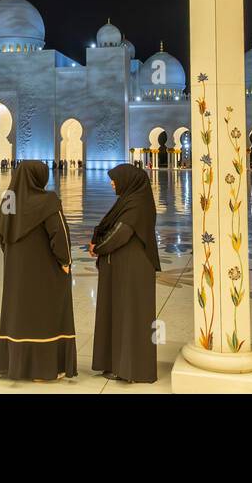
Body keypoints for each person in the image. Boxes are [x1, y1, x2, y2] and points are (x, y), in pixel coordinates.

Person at [0, 160, 76, 381]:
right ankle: (42, 369)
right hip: (44, 271)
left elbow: (2, 233)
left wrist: (13, 258)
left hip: (16, 271)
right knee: (44, 313)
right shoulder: (47, 202)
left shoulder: (8, 200)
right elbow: (60, 236)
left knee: (19, 313)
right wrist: (65, 262)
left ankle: (16, 365)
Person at [89, 164, 159, 383]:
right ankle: (115, 364)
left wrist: (99, 248)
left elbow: (122, 233)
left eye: (115, 179)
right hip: (123, 266)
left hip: (133, 268)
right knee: (119, 313)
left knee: (130, 315)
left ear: (128, 180)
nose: (112, 183)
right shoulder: (129, 201)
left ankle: (132, 369)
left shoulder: (137, 204)